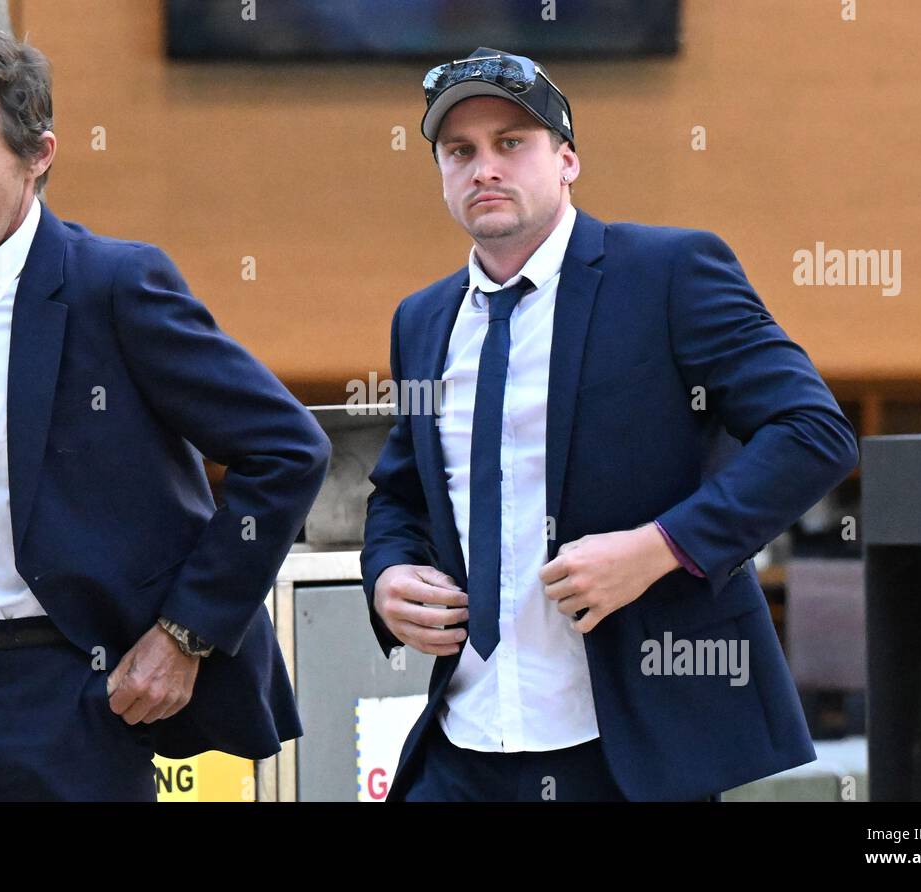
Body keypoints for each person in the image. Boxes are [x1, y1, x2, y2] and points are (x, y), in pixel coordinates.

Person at [0, 29, 330, 801]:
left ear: (40, 156)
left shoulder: (114, 286)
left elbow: (289, 450)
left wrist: (186, 633)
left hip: (69, 698)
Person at [361, 47, 859, 802]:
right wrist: (388, 573)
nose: (483, 168)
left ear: (567, 161)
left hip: (630, 745)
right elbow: (401, 491)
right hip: (464, 739)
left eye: (511, 144)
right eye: (459, 151)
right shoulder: (424, 321)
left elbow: (813, 433)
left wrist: (661, 547)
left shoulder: (668, 273)